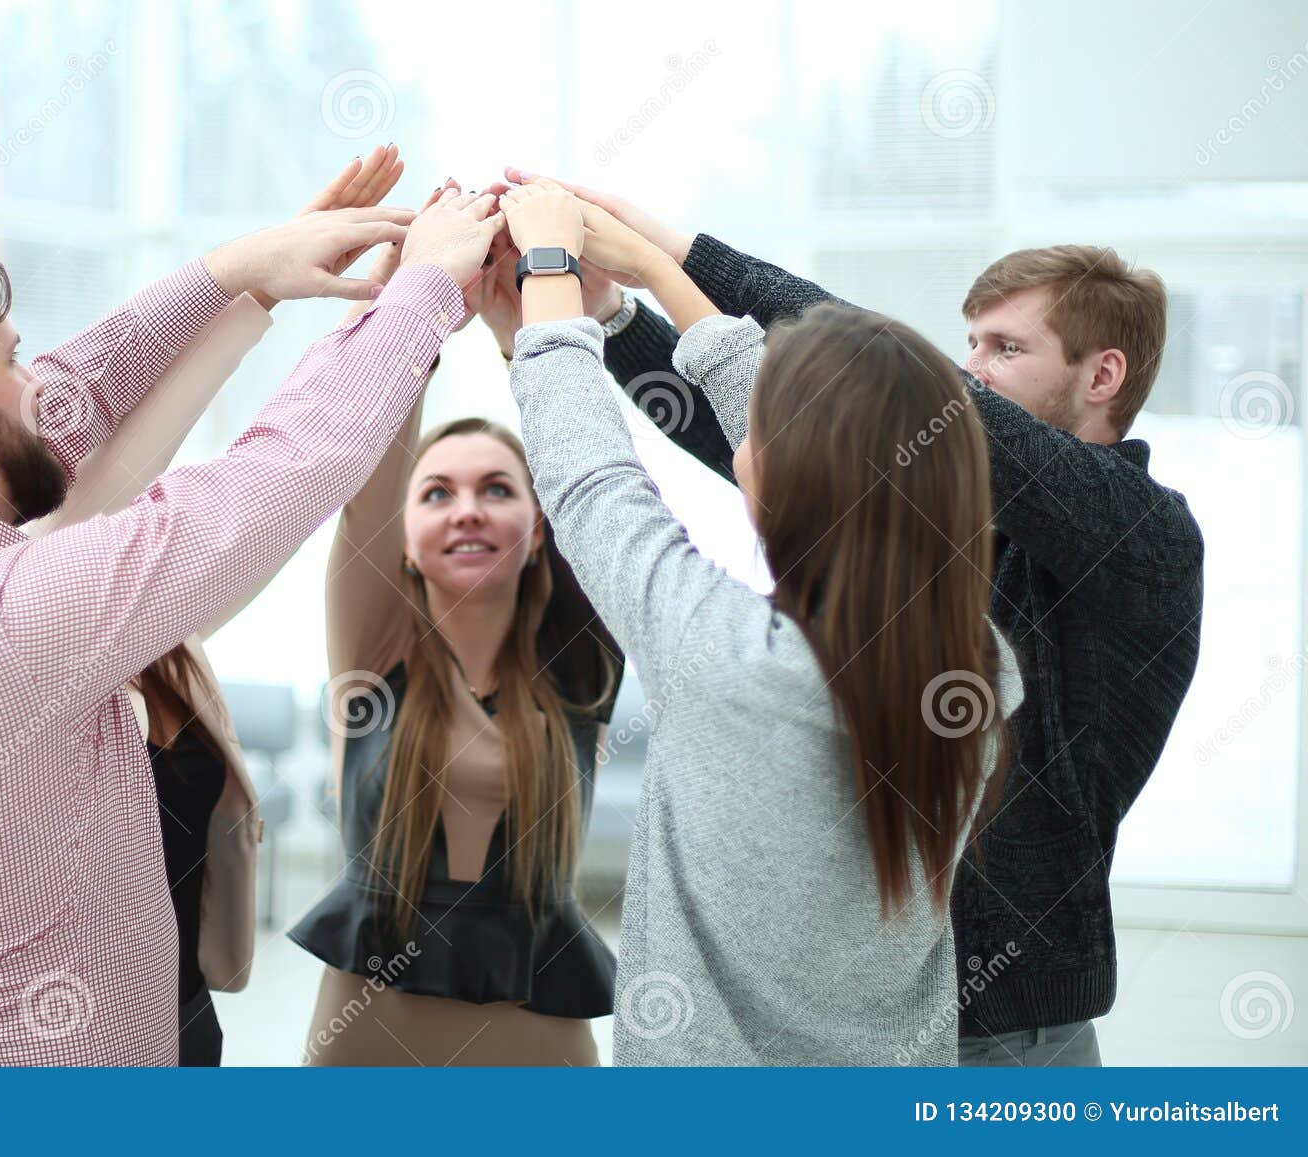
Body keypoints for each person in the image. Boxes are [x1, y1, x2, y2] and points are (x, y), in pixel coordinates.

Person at [0, 164, 502, 1065]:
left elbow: (71, 401)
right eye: (14, 359)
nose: (41, 381)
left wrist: (240, 270)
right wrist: (420, 293)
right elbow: (269, 477)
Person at [509, 165, 1205, 1066]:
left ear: (1103, 373)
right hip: (897, 1034)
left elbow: (879, 388)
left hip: (1017, 1042)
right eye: (969, 345)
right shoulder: (963, 544)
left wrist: (667, 256)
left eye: (1004, 349)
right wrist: (612, 316)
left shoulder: (1140, 533)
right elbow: (788, 452)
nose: (970, 370)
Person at [27, 148, 406, 1067]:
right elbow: (279, 466)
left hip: (183, 1020)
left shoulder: (169, 641)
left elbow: (198, 452)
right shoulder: (29, 631)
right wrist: (395, 315)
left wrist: (269, 283)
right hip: (66, 1037)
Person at [288, 198, 623, 1066]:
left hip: (539, 1040)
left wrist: (527, 339)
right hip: (365, 1037)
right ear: (405, 532)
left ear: (541, 525)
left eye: (497, 489)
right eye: (437, 491)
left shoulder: (578, 668)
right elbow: (369, 483)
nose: (466, 508)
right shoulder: (374, 655)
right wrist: (417, 318)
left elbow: (592, 482)